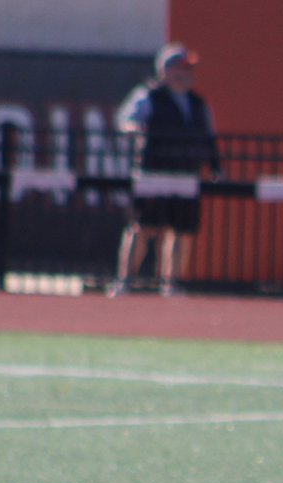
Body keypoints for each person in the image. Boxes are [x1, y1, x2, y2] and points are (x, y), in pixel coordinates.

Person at [109, 43, 221, 298]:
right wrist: (133, 128)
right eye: (181, 68)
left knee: (182, 230)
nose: (187, 73)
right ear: (166, 71)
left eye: (189, 69)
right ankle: (125, 281)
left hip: (186, 173)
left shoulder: (198, 102)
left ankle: (171, 283)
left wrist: (214, 166)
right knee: (142, 226)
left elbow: (208, 136)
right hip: (153, 173)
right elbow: (126, 119)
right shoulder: (149, 95)